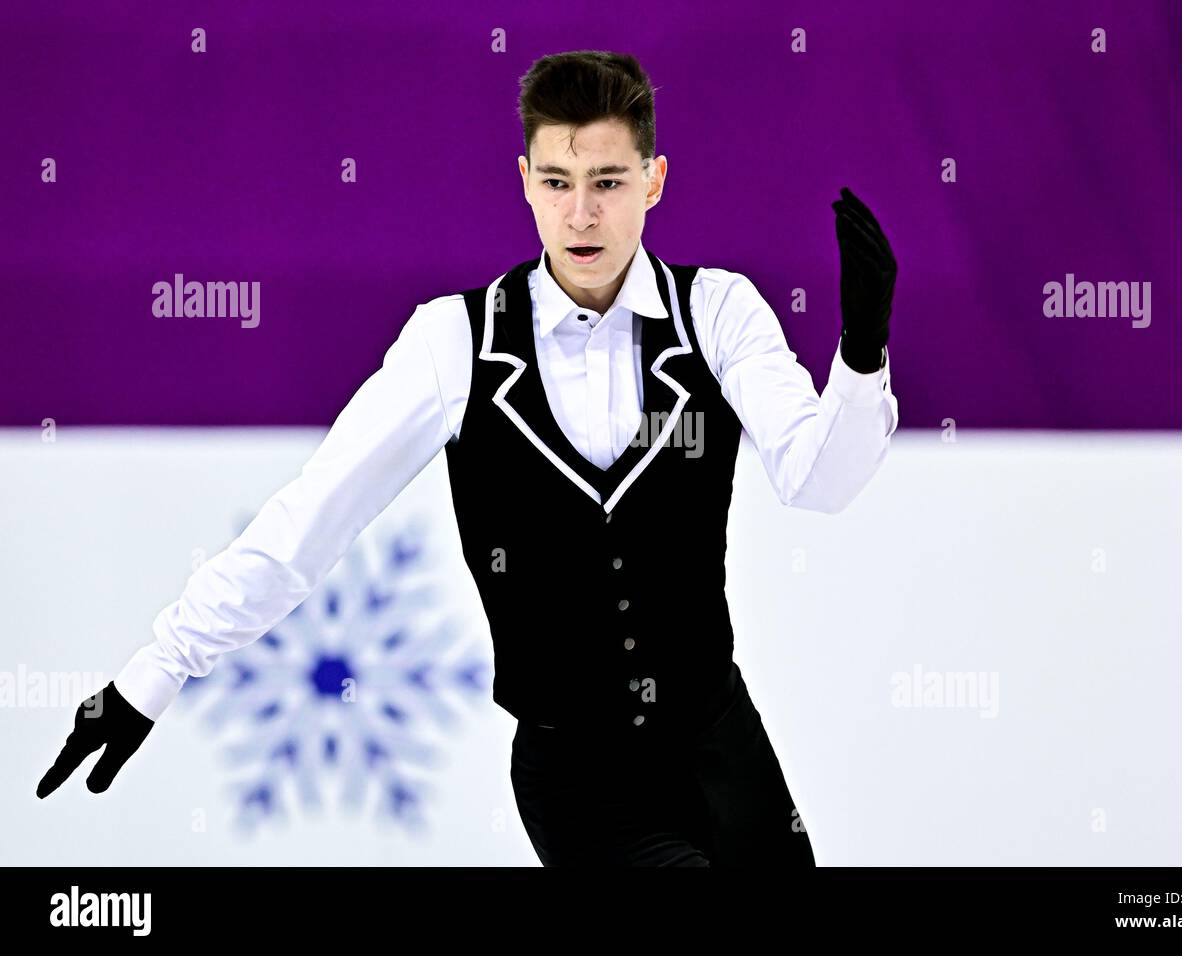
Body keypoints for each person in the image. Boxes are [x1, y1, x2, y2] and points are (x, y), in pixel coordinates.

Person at [37, 49, 899, 867]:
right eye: (558, 184)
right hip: (576, 777)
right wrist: (156, 670)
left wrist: (861, 351)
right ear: (525, 182)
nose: (582, 214)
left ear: (655, 181)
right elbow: (314, 517)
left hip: (726, 749)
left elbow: (818, 481)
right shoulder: (454, 342)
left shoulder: (718, 312)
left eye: (608, 182)